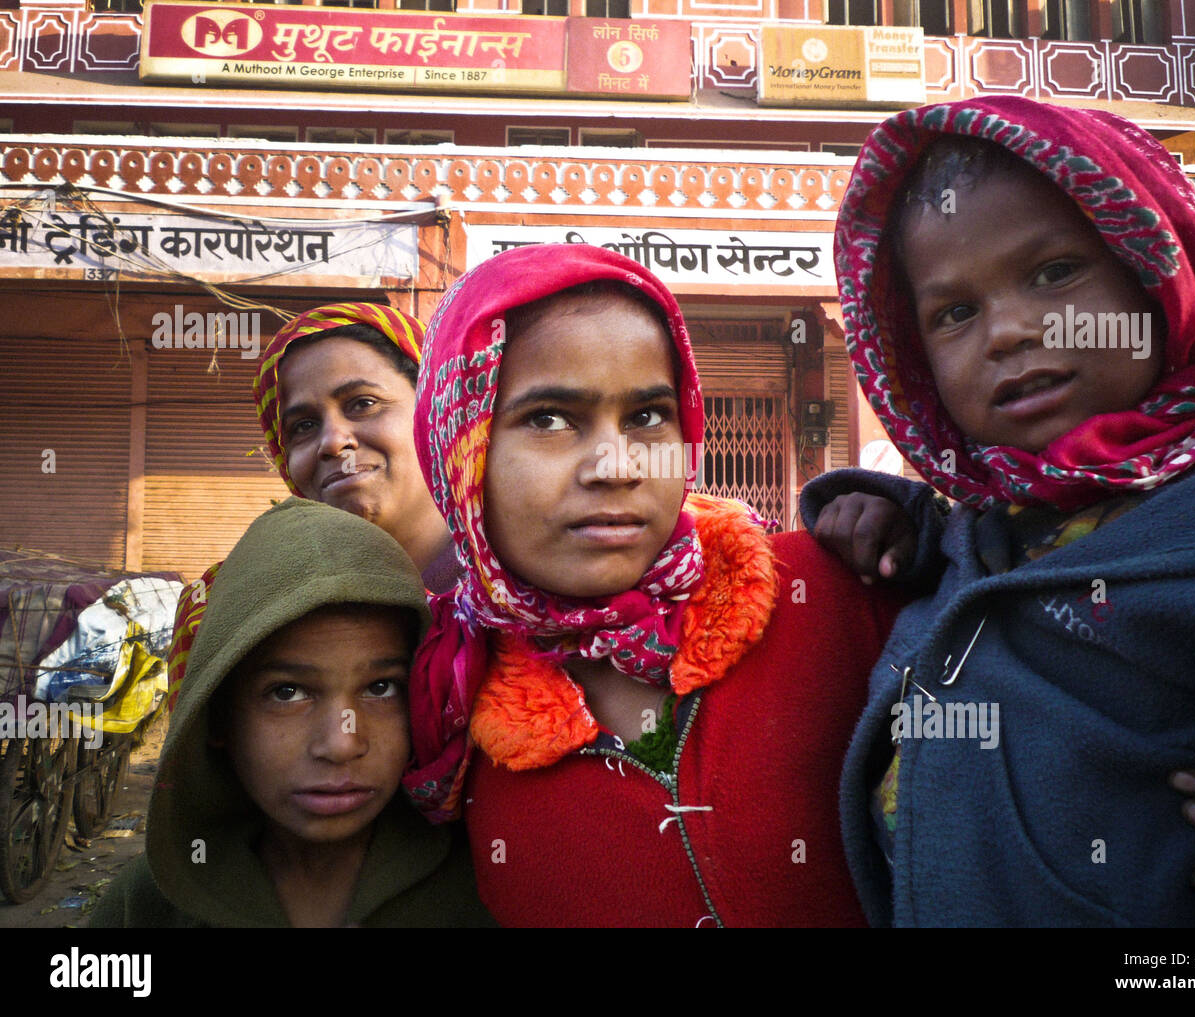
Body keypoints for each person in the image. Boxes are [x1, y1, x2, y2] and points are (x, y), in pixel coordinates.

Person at [801, 96, 1195, 926]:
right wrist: (895, 523)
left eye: (1055, 272)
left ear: (1152, 269)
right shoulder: (989, 532)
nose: (1010, 331)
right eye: (955, 312)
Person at [400, 243, 905, 926]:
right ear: (462, 447)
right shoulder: (444, 718)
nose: (615, 466)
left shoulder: (830, 589)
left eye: (646, 416)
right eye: (549, 418)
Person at [92, 498, 492, 927]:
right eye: (286, 693)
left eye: (381, 688)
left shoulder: (488, 892)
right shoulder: (148, 907)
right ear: (218, 716)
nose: (341, 743)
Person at [166, 302, 457, 710]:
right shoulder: (236, 610)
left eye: (363, 403)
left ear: (434, 407)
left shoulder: (528, 589)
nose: (333, 442)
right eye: (303, 426)